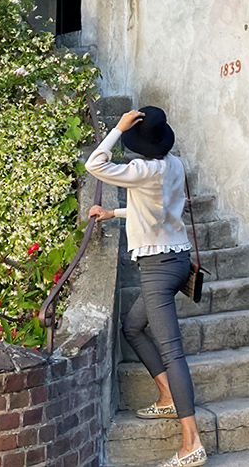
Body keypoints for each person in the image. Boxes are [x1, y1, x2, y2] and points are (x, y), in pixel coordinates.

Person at [85, 106, 207, 467]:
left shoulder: (141, 170)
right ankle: (168, 395)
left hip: (156, 267)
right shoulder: (174, 165)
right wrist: (112, 214)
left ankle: (192, 442)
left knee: (173, 352)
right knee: (132, 326)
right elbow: (158, 207)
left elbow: (95, 164)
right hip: (178, 259)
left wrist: (118, 129)